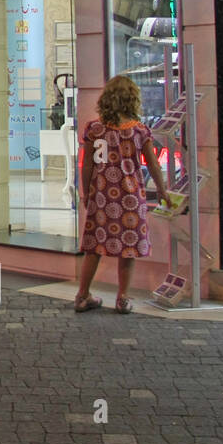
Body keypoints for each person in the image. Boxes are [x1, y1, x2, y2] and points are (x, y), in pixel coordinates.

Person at [75, 75, 171, 314]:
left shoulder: (94, 129)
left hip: (101, 195)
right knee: (128, 248)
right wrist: (161, 190)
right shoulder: (139, 131)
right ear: (133, 100)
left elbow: (87, 165)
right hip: (130, 197)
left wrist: (86, 192)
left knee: (94, 247)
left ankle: (82, 294)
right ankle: (123, 297)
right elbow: (153, 164)